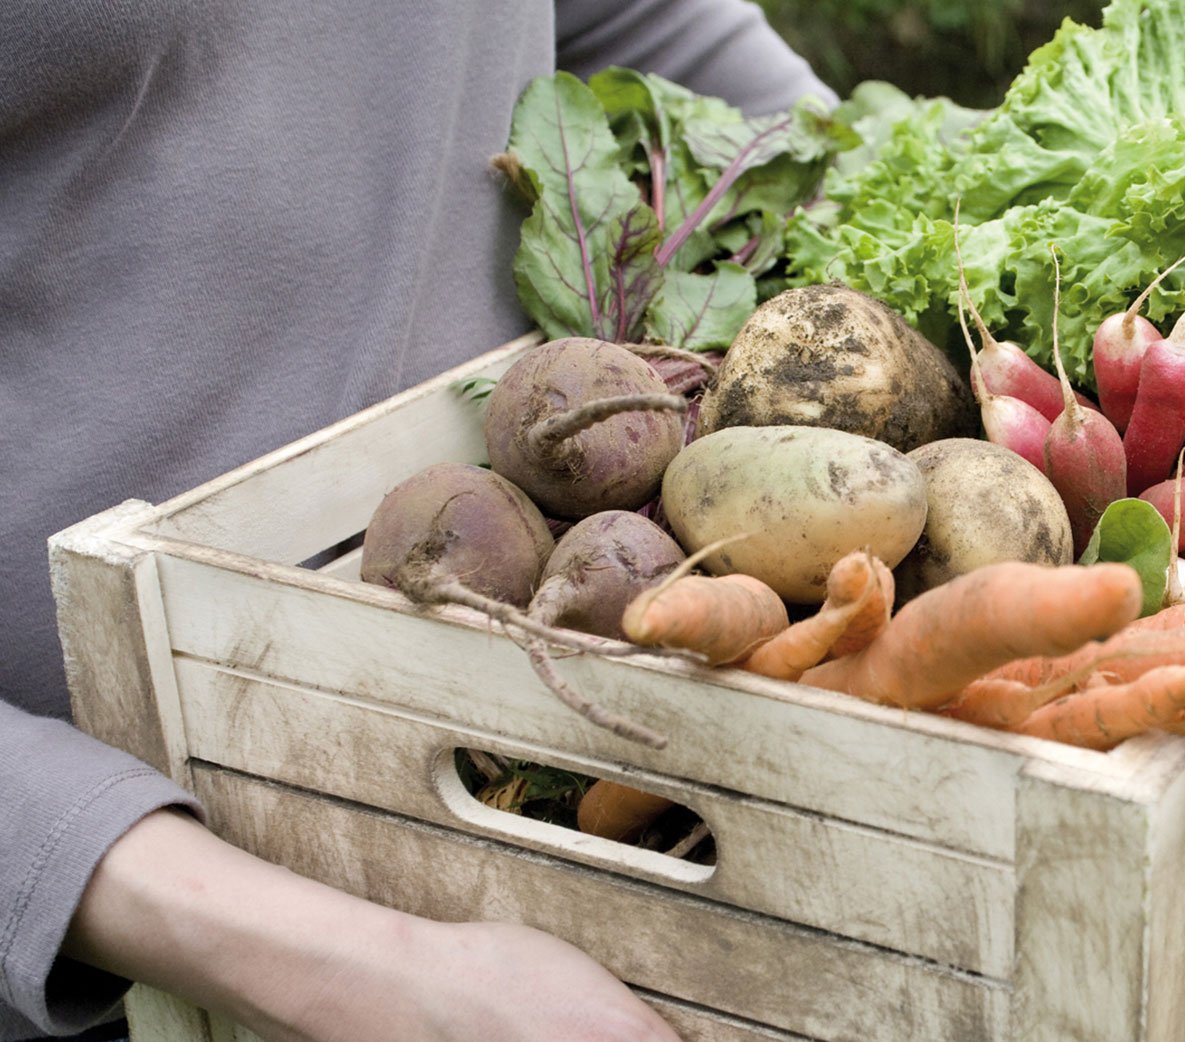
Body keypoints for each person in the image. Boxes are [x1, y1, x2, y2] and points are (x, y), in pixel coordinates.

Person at [0, 2, 833, 1040]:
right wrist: (347, 969)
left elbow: (652, 26)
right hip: (137, 938)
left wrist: (877, 228)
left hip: (536, 757)